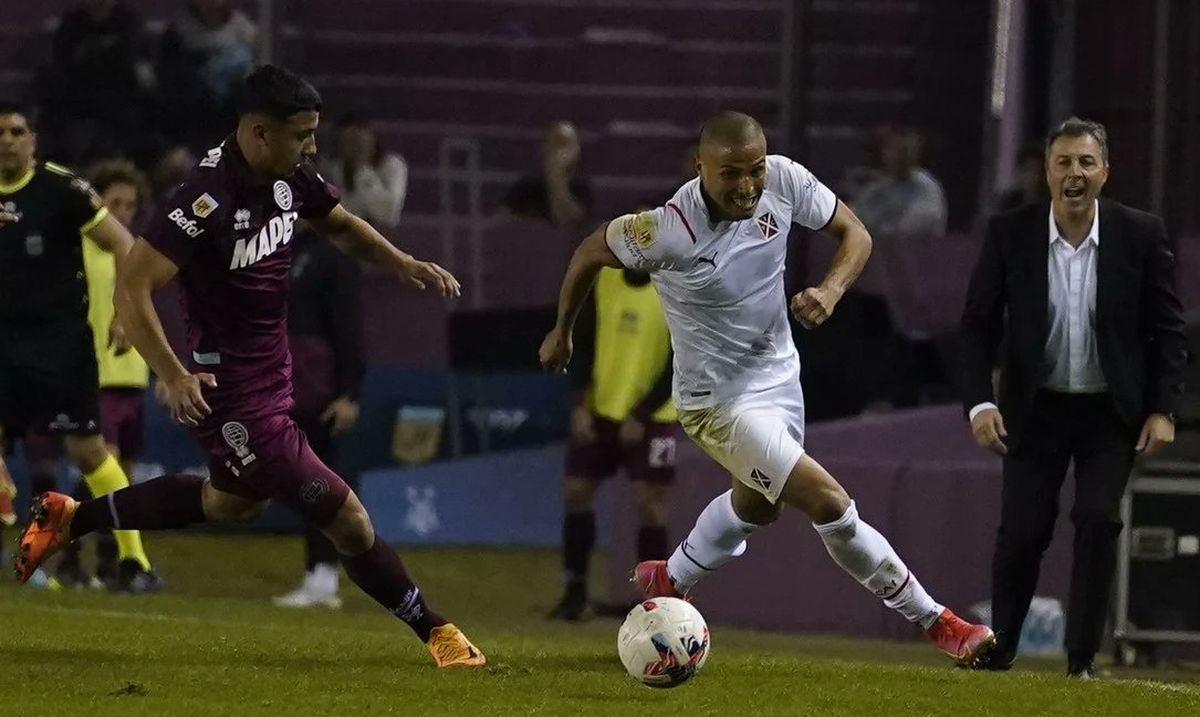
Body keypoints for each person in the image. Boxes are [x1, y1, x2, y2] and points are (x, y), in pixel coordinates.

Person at [13, 66, 486, 668]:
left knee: (230, 503)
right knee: (348, 518)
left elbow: (339, 224)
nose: (312, 146)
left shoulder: (289, 176)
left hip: (273, 374)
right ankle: (437, 632)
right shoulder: (205, 198)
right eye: (302, 135)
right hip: (230, 391)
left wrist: (399, 261)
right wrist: (174, 374)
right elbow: (133, 290)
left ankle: (71, 518)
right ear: (259, 133)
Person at [539, 111, 996, 666]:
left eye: (754, 169)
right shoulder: (666, 229)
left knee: (756, 508)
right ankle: (939, 623)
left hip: (781, 380)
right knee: (830, 503)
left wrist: (830, 289)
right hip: (718, 404)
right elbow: (590, 250)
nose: (748, 185)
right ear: (700, 166)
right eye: (731, 173)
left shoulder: (782, 179)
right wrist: (562, 330)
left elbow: (856, 233)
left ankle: (670, 575)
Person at [960, 117, 1187, 678]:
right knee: (1022, 532)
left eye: (1086, 163)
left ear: (1104, 173)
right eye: (1064, 162)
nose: (1074, 174)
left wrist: (1163, 408)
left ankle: (1081, 661)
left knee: (1098, 519)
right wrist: (979, 403)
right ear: (1047, 172)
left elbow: (1168, 327)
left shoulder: (1141, 234)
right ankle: (1002, 648)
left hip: (1110, 412)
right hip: (1034, 410)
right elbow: (977, 326)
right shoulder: (1010, 233)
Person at [0, 104, 157, 587]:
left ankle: (136, 560)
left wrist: (123, 311)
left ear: (34, 139)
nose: (7, 139)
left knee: (88, 453)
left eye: (16, 131)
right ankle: (24, 534)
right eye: (0, 132)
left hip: (61, 345)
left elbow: (124, 244)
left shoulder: (61, 188)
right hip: (4, 343)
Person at [55, 159, 160, 591]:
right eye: (114, 202)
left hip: (131, 374)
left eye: (130, 204)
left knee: (122, 475)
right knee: (102, 465)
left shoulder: (136, 249)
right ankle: (68, 555)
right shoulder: (80, 244)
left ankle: (105, 563)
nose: (123, 211)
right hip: (94, 372)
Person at [550, 266, 676, 621]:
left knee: (650, 505)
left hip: (654, 417)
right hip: (600, 408)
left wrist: (643, 412)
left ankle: (654, 604)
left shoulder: (677, 287)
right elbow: (582, 341)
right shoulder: (604, 281)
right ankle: (574, 594)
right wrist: (579, 403)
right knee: (576, 492)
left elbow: (683, 357)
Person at [272, 226, 364, 609]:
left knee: (322, 479)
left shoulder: (333, 257)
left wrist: (350, 394)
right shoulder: (281, 252)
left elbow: (349, 327)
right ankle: (318, 573)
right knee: (302, 482)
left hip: (320, 388)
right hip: (289, 382)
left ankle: (325, 576)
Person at [850, 126, 948, 237]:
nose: (898, 157)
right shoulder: (877, 188)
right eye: (892, 150)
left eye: (904, 151)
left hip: (916, 250)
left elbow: (914, 227)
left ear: (915, 154)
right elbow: (854, 218)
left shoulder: (927, 188)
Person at [317, 114, 408, 227]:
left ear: (372, 139)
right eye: (349, 141)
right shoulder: (331, 168)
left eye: (358, 140)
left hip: (382, 234)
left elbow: (388, 214)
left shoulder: (392, 165)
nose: (355, 147)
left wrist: (362, 170)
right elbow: (332, 212)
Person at [504, 121, 592, 228]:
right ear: (544, 148)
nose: (559, 151)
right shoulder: (525, 187)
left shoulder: (584, 188)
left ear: (576, 150)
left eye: (564, 143)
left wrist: (556, 176)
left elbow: (570, 223)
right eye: (555, 143)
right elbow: (504, 224)